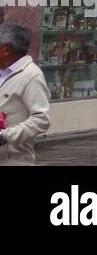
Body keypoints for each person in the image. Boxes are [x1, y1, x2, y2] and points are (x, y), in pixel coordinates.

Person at [0, 24, 51, 166]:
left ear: (5, 49)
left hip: (13, 160)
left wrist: (5, 136)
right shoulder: (3, 72)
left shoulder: (31, 75)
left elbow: (41, 120)